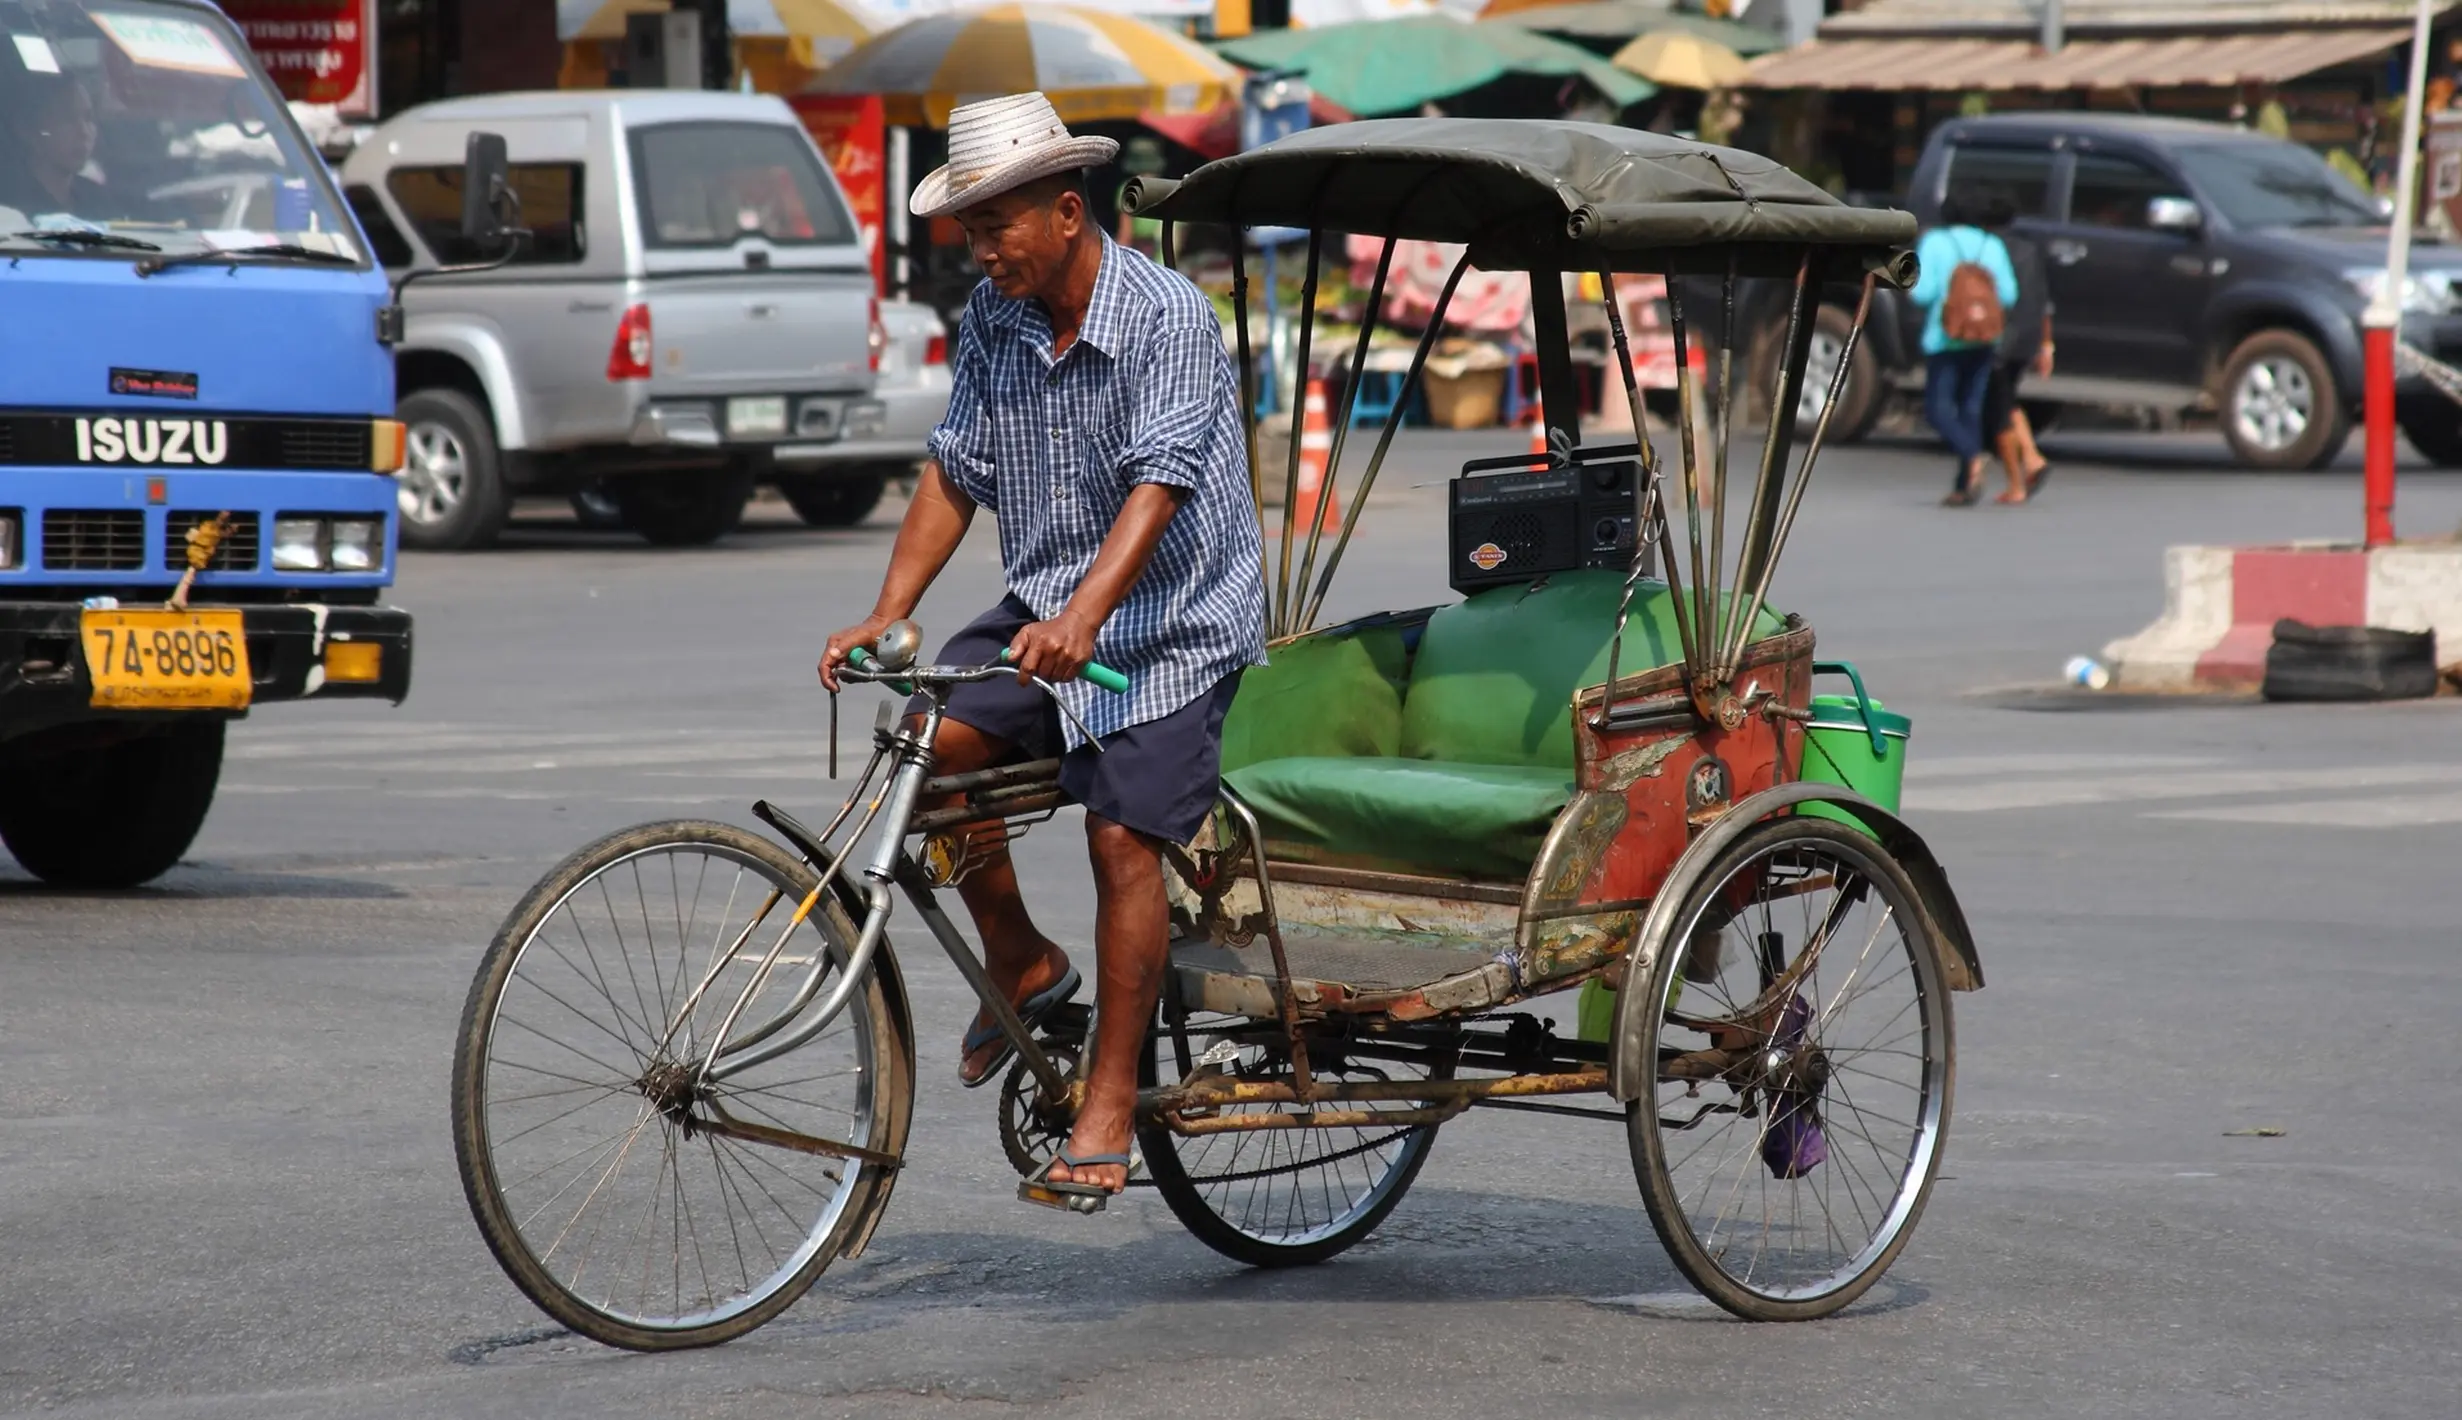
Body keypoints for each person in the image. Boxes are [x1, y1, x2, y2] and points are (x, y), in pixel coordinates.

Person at [819, 94, 1266, 1200]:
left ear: (1067, 212)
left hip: (1174, 621)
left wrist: (1085, 621)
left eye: (994, 226)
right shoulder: (994, 319)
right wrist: (890, 607)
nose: (979, 250)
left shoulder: (1165, 317)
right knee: (922, 751)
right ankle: (1020, 958)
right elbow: (955, 469)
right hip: (1046, 605)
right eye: (968, 230)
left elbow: (1161, 485)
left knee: (1122, 837)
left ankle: (1110, 1095)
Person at [1910, 192, 2017, 505]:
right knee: (1970, 407)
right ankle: (1964, 484)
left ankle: (1971, 457)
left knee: (1937, 408)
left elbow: (1921, 292)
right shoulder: (1992, 244)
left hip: (1945, 337)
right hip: (1984, 338)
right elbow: (2009, 295)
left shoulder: (1935, 243)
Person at [1979, 193, 2054, 503]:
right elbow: (2044, 300)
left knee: (1998, 411)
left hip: (2000, 337)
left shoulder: (1987, 249)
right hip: (2029, 336)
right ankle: (2033, 457)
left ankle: (2018, 482)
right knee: (2007, 397)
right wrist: (2047, 344)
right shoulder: (2028, 249)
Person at [0, 72, 104, 220]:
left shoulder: (99, 199)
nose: (84, 132)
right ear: (27, 130)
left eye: (88, 118)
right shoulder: (8, 206)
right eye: (67, 119)